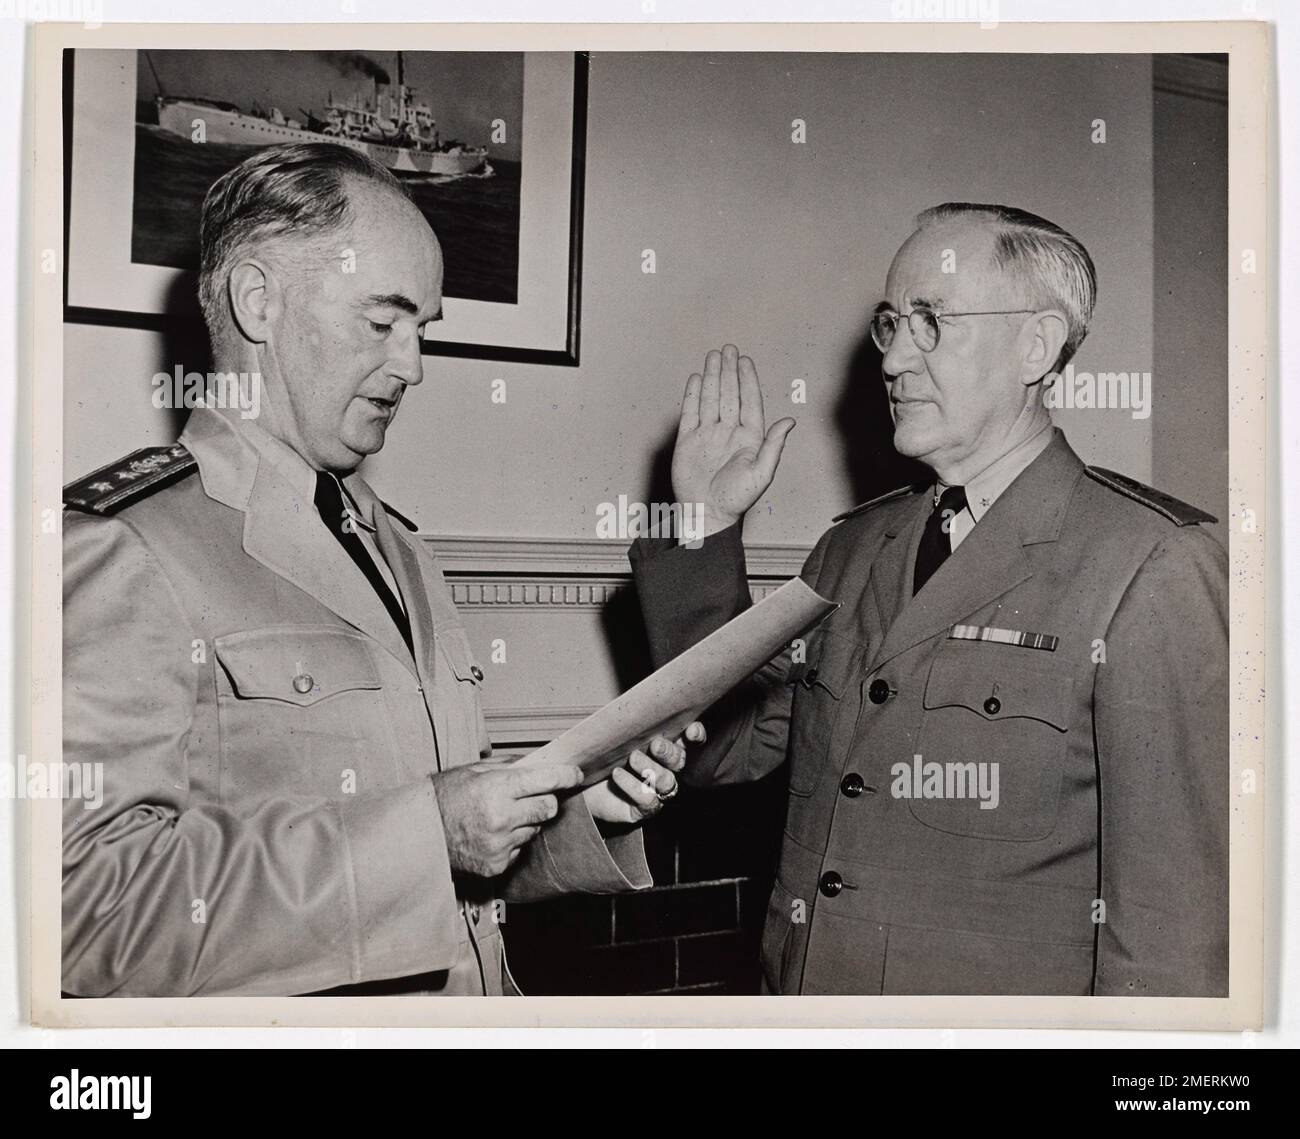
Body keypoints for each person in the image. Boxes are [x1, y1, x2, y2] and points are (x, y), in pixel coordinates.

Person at [62, 142, 695, 997]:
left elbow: (455, 868)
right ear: (259, 301)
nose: (414, 366)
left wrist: (575, 813)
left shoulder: (397, 546)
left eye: (421, 329)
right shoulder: (122, 544)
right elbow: (89, 915)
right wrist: (429, 830)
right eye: (382, 322)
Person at [631, 203, 1227, 996]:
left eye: (931, 321)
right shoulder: (851, 550)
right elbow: (719, 749)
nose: (894, 357)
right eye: (890, 323)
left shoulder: (1152, 562)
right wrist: (704, 526)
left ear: (1036, 345)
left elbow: (1173, 940)